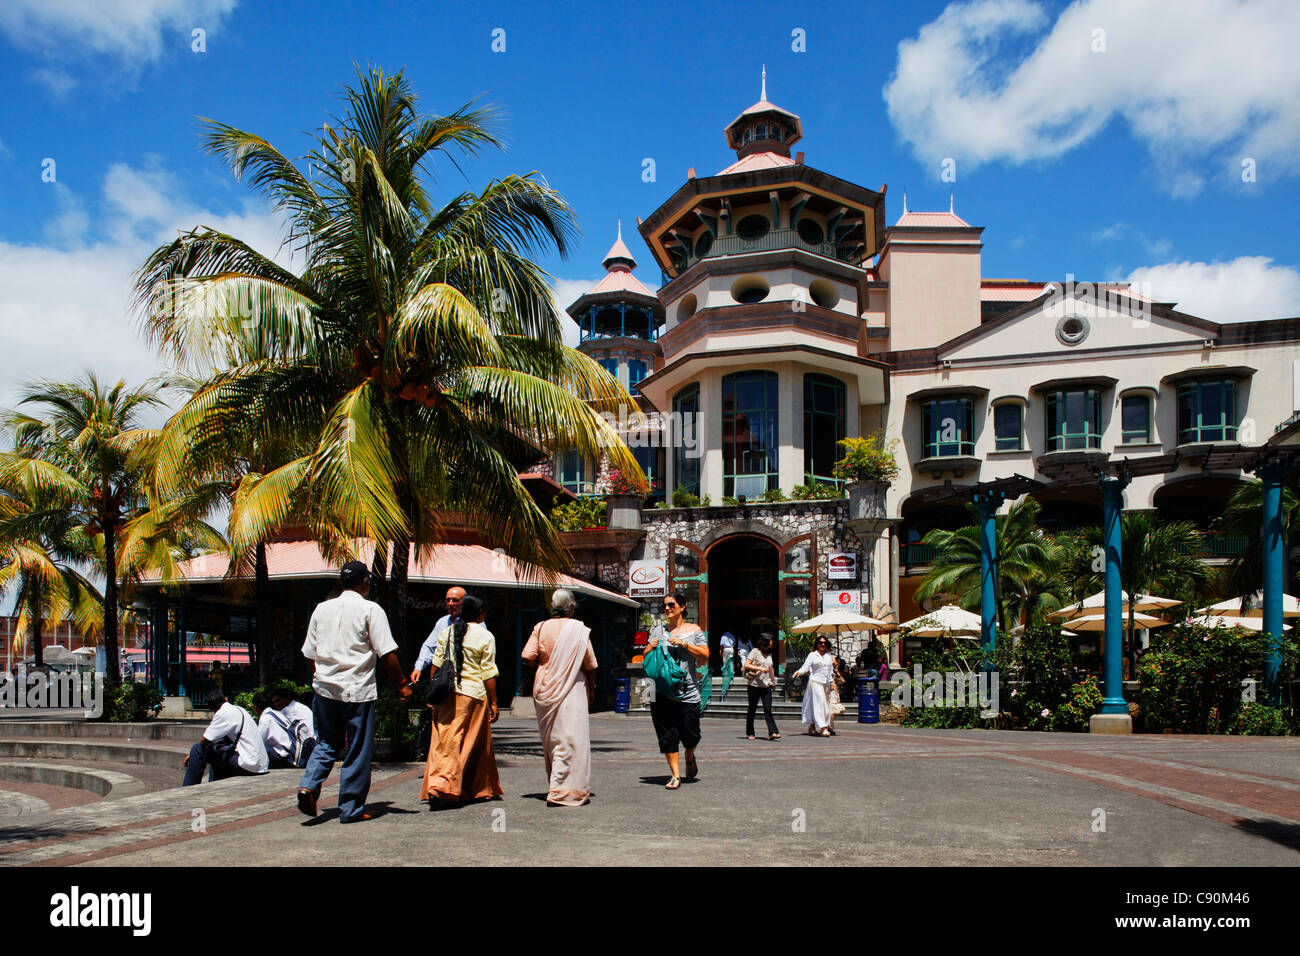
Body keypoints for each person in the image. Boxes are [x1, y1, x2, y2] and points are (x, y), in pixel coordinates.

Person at [297, 561, 412, 823]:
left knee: (327, 742)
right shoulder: (370, 609)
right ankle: (350, 809)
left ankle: (308, 784)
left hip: (324, 689)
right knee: (358, 749)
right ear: (365, 583)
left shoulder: (321, 609)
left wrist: (319, 678)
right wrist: (402, 684)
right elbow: (387, 654)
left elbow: (309, 654)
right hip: (356, 690)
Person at [421, 594, 503, 806]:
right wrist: (494, 702)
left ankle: (443, 785)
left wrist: (432, 692)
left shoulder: (447, 632)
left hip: (446, 694)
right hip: (473, 695)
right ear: (481, 614)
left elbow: (435, 665)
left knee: (445, 741)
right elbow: (488, 673)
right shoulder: (485, 636)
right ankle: (450, 788)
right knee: (471, 745)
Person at [521, 588, 598, 806]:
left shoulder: (541, 627)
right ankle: (564, 791)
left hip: (545, 686)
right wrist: (592, 687)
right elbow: (590, 663)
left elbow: (528, 656)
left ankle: (556, 784)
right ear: (571, 607)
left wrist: (547, 666)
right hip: (573, 685)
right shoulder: (579, 629)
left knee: (553, 739)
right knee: (571, 738)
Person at [646, 591, 709, 790]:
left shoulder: (694, 630)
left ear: (682, 607)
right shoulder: (657, 631)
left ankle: (689, 755)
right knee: (667, 734)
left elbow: (704, 656)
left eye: (671, 605)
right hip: (662, 691)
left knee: (691, 734)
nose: (667, 608)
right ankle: (675, 774)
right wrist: (650, 647)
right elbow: (645, 655)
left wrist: (684, 644)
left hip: (688, 691)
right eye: (665, 605)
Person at [410, 587, 466, 759]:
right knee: (443, 726)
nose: (450, 604)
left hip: (465, 684)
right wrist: (419, 667)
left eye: (455, 600)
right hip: (445, 683)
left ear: (465, 602)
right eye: (448, 600)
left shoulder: (474, 623)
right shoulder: (442, 623)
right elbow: (429, 647)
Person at [183, 689, 269, 785]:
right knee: (216, 749)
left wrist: (190, 755)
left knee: (197, 749)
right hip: (260, 764)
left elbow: (205, 739)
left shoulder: (222, 713)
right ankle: (214, 783)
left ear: (211, 708)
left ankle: (189, 786)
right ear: (225, 699)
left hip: (249, 765)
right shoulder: (239, 709)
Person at [794, 636, 837, 737]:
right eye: (820, 643)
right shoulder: (812, 655)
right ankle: (823, 727)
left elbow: (830, 671)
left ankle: (812, 726)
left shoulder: (828, 656)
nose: (823, 644)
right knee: (820, 704)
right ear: (817, 644)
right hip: (815, 682)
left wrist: (831, 683)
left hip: (825, 684)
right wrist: (799, 672)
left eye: (824, 643)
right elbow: (805, 667)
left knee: (819, 705)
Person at [742, 633, 780, 741]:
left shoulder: (769, 654)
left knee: (768, 708)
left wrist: (773, 682)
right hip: (754, 685)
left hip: (766, 685)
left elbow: (771, 669)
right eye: (771, 640)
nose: (772, 642)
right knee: (752, 709)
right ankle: (750, 732)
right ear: (765, 641)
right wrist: (760, 669)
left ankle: (773, 732)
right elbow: (746, 664)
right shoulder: (755, 651)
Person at [253, 691, 295, 769]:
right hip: (292, 752)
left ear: (255, 707)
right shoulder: (278, 713)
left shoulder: (265, 719)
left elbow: (259, 742)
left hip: (284, 757)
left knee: (256, 749)